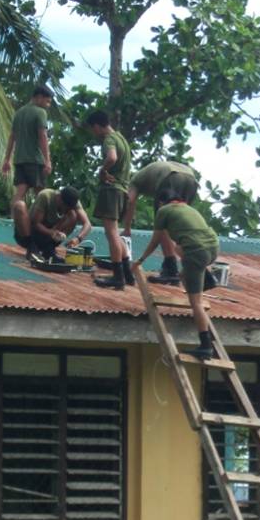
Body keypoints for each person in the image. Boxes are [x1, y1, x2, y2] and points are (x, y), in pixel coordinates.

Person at [133, 189, 219, 359]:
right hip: (212, 248)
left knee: (196, 303)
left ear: (160, 202)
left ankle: (205, 346)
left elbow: (156, 240)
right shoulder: (188, 209)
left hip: (195, 251)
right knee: (179, 248)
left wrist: (140, 260)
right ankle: (206, 275)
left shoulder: (163, 211)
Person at [123, 160, 199, 284]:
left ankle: (171, 269)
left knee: (163, 223)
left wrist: (127, 228)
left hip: (170, 177)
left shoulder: (134, 181)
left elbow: (130, 201)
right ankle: (191, 267)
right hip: (191, 179)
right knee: (181, 222)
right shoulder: (147, 174)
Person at [86, 110, 134, 290]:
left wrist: (102, 170)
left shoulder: (109, 140)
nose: (94, 133)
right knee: (115, 231)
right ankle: (127, 274)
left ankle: (118, 277)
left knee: (111, 233)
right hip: (122, 189)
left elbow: (112, 157)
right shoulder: (121, 138)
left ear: (97, 126)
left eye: (93, 129)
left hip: (112, 190)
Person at [2, 85, 54, 223]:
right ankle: (41, 223)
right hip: (35, 159)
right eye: (47, 101)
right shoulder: (40, 112)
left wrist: (7, 159)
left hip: (19, 160)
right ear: (39, 97)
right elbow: (43, 136)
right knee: (41, 193)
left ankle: (14, 221)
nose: (48, 105)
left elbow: (12, 137)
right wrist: (47, 160)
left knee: (20, 192)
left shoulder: (19, 113)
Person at [15, 186, 91, 264]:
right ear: (59, 198)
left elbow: (87, 224)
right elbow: (35, 224)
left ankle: (49, 250)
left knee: (73, 215)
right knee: (19, 205)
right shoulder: (45, 196)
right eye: (65, 206)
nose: (65, 210)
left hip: (46, 238)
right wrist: (52, 232)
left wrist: (78, 239)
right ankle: (32, 248)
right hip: (29, 235)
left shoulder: (74, 202)